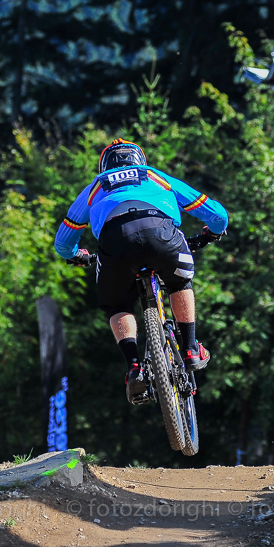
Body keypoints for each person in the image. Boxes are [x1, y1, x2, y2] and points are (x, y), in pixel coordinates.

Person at [54, 140, 229, 403]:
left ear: (104, 164)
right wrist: (210, 234)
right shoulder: (154, 176)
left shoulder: (97, 186)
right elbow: (216, 214)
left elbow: (63, 242)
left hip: (116, 241)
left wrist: (78, 255)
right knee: (180, 283)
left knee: (117, 305)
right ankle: (191, 348)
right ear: (140, 159)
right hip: (161, 232)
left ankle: (134, 368)